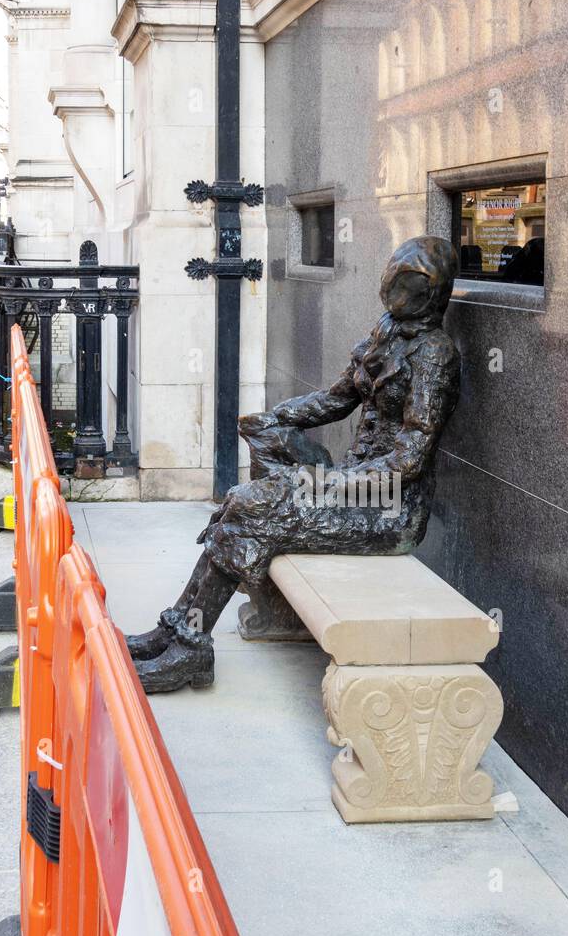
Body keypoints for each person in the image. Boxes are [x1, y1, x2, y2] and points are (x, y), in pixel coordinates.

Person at [127, 234, 462, 693]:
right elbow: (334, 399)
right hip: (352, 487)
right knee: (254, 482)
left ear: (431, 294)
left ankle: (190, 646)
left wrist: (333, 482)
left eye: (408, 286)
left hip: (389, 506)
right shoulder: (385, 332)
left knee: (248, 504)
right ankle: (179, 632)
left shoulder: (435, 353)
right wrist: (272, 418)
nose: (394, 294)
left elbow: (411, 455)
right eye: (393, 283)